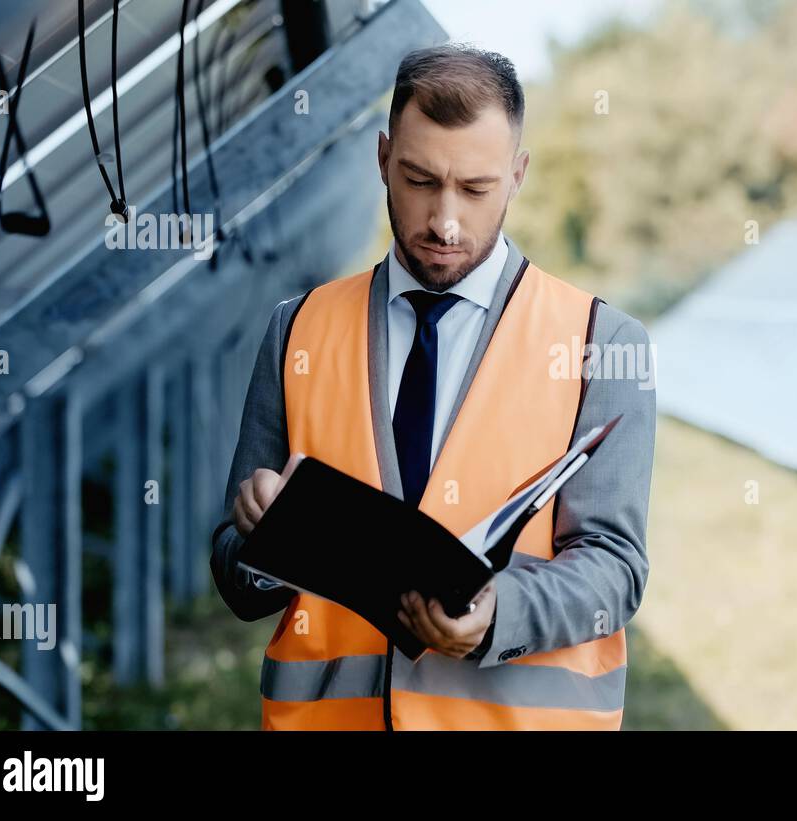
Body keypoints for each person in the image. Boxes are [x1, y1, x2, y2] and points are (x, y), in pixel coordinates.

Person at [209, 43, 656, 730]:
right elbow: (235, 572)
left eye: (475, 189)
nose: (445, 221)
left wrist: (498, 611)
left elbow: (615, 566)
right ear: (383, 157)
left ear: (517, 175)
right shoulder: (294, 331)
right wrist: (264, 543)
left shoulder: (604, 344)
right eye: (420, 181)